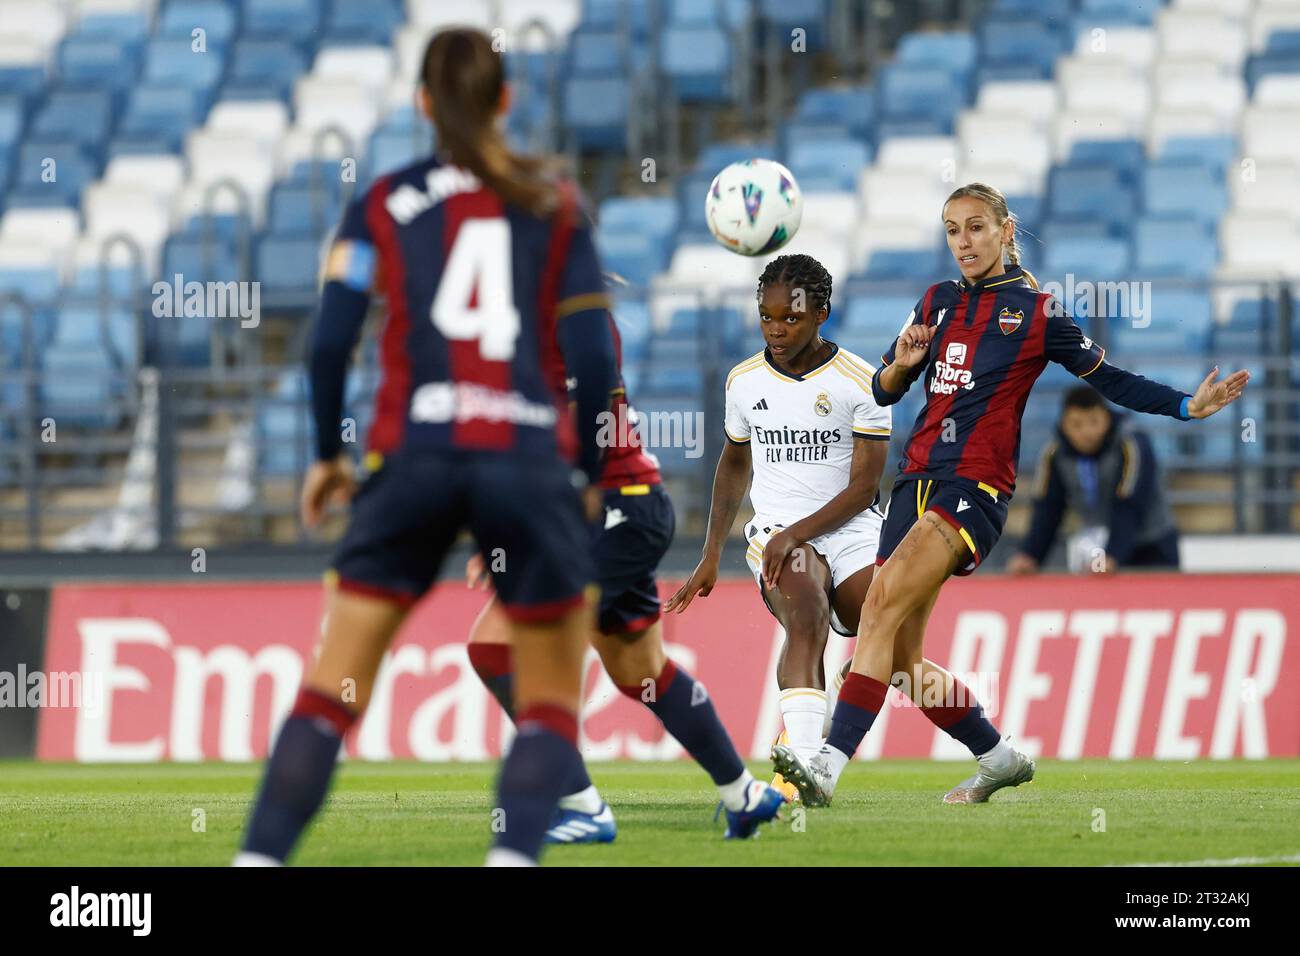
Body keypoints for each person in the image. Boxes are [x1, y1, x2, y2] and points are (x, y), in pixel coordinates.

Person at [235, 27, 619, 868]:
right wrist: (587, 474)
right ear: (506, 100)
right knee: (551, 697)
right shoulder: (554, 204)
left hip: (410, 456)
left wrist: (329, 453)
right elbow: (593, 358)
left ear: (421, 104)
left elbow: (330, 341)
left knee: (331, 689)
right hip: (523, 461)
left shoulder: (380, 201)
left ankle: (256, 862)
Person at [773, 182, 1249, 806]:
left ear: (1004, 231)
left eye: (975, 227)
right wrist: (904, 363)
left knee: (881, 603)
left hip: (974, 487)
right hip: (913, 482)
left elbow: (1109, 379)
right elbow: (885, 390)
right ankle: (998, 757)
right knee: (896, 658)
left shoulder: (1036, 312)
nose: (963, 242)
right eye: (952, 230)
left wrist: (1188, 405)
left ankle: (827, 767)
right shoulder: (936, 301)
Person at [465, 310, 787, 842]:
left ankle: (583, 807)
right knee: (641, 672)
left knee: (500, 648)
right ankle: (744, 795)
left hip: (607, 510)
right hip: (620, 510)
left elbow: (573, 434)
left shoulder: (571, 313)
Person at [1007, 385, 1180, 574]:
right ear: (1064, 424)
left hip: (1153, 546)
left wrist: (1112, 556)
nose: (1087, 433)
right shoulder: (1053, 453)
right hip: (1102, 549)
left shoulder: (1132, 445)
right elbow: (1048, 508)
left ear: (1107, 418)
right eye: (1077, 424)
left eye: (1094, 422)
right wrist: (1030, 555)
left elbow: (1129, 506)